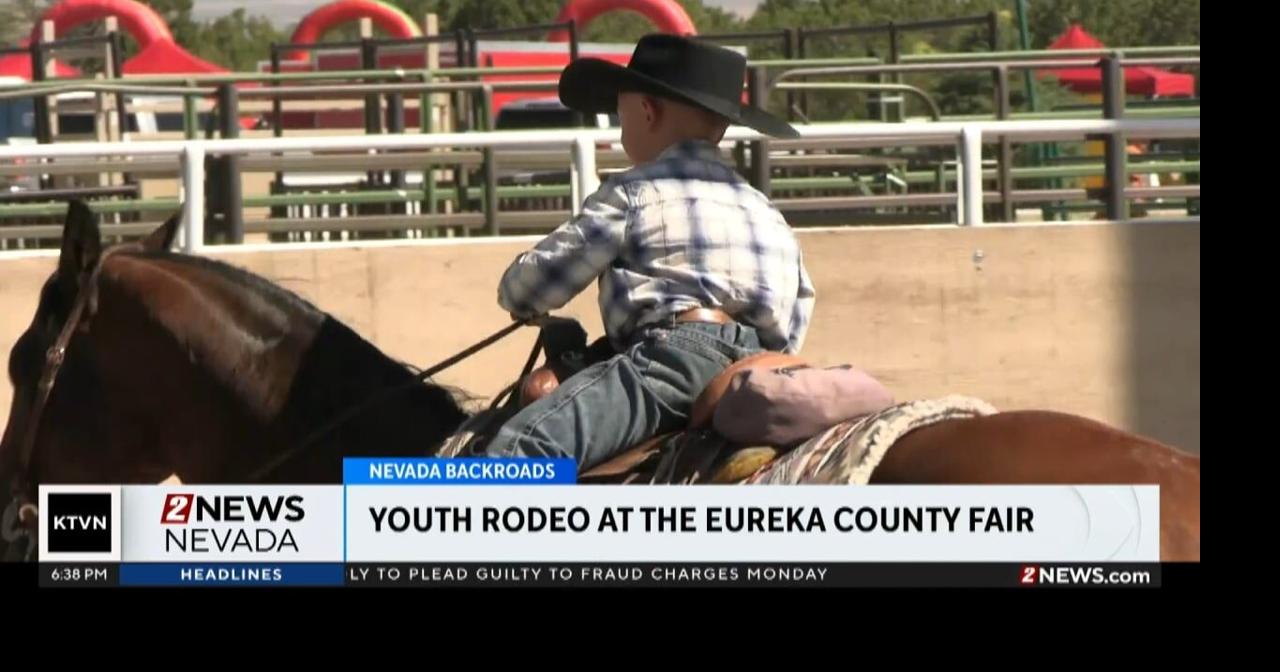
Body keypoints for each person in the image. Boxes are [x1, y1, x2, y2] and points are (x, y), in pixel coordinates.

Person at [484, 34, 816, 471]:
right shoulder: (765, 211)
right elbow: (795, 317)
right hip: (759, 371)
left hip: (672, 364)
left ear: (646, 111)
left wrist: (517, 295)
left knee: (516, 451)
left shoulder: (635, 193)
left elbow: (536, 285)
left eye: (620, 115)